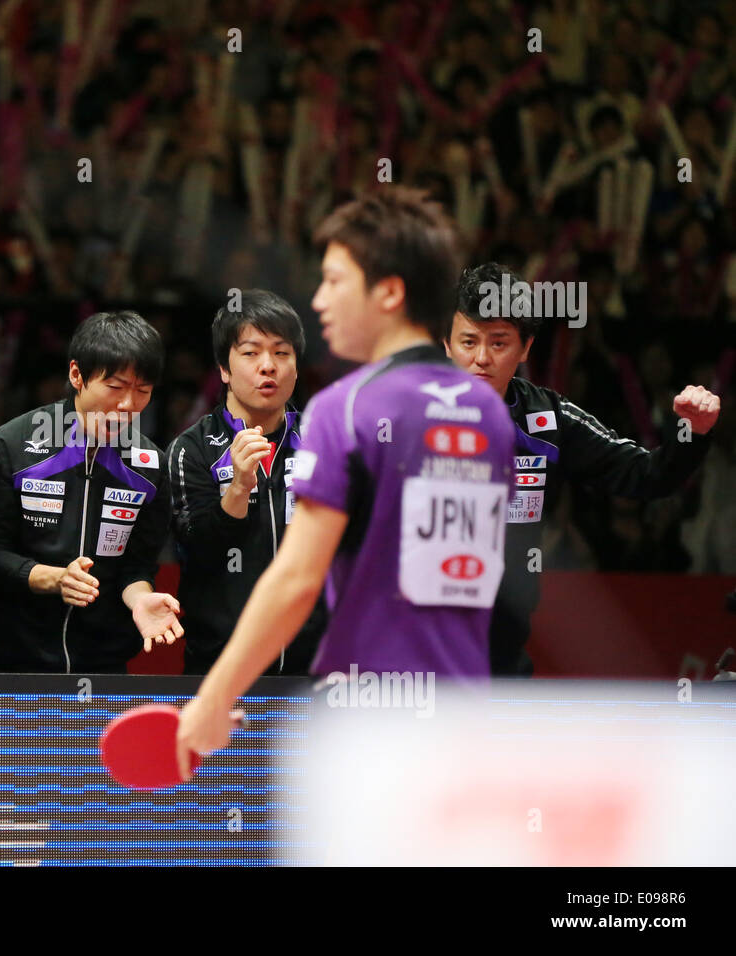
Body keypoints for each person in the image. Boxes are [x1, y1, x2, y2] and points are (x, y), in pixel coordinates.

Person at [177, 187, 516, 772]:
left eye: (334, 280)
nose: (320, 299)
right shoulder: (485, 410)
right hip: (465, 716)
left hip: (367, 719)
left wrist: (214, 696)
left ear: (387, 291)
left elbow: (297, 579)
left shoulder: (347, 407)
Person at [446, 262, 720, 675]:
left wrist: (691, 433)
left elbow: (646, 474)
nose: (481, 358)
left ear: (525, 349)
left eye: (499, 343)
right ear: (446, 345)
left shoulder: (549, 418)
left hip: (502, 659)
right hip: (417, 655)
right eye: (468, 341)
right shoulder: (404, 414)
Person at [0, 310, 181, 673]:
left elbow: (136, 567)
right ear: (76, 375)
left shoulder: (150, 466)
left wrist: (141, 599)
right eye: (115, 387)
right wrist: (52, 579)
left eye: (142, 390)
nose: (129, 405)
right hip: (12, 663)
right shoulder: (16, 444)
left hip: (104, 666)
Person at [167, 289, 327, 675]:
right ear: (224, 368)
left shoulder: (326, 441)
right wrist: (238, 488)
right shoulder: (192, 450)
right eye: (251, 353)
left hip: (317, 666)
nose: (268, 366)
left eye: (281, 353)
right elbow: (196, 550)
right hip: (223, 667)